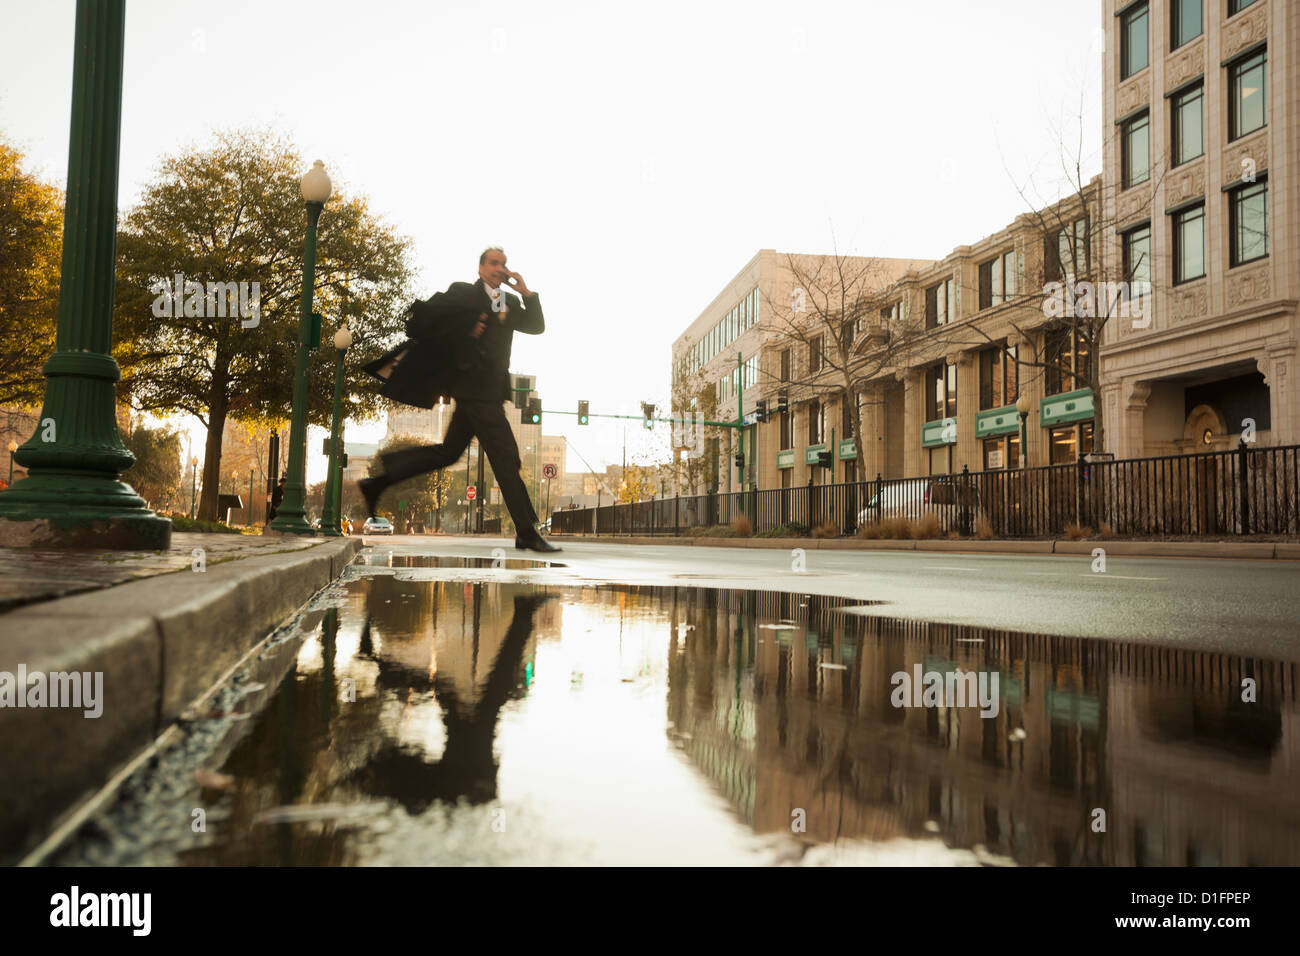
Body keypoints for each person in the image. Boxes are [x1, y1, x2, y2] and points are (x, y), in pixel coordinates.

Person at [360, 247, 560, 553]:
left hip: (490, 390)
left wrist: (527, 292)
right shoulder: (463, 293)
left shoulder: (509, 300)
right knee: (506, 457)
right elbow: (425, 320)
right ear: (480, 268)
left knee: (448, 453)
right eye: (493, 263)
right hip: (473, 388)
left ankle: (378, 482)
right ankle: (526, 532)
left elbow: (536, 327)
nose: (499, 268)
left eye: (503, 264)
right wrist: (467, 330)